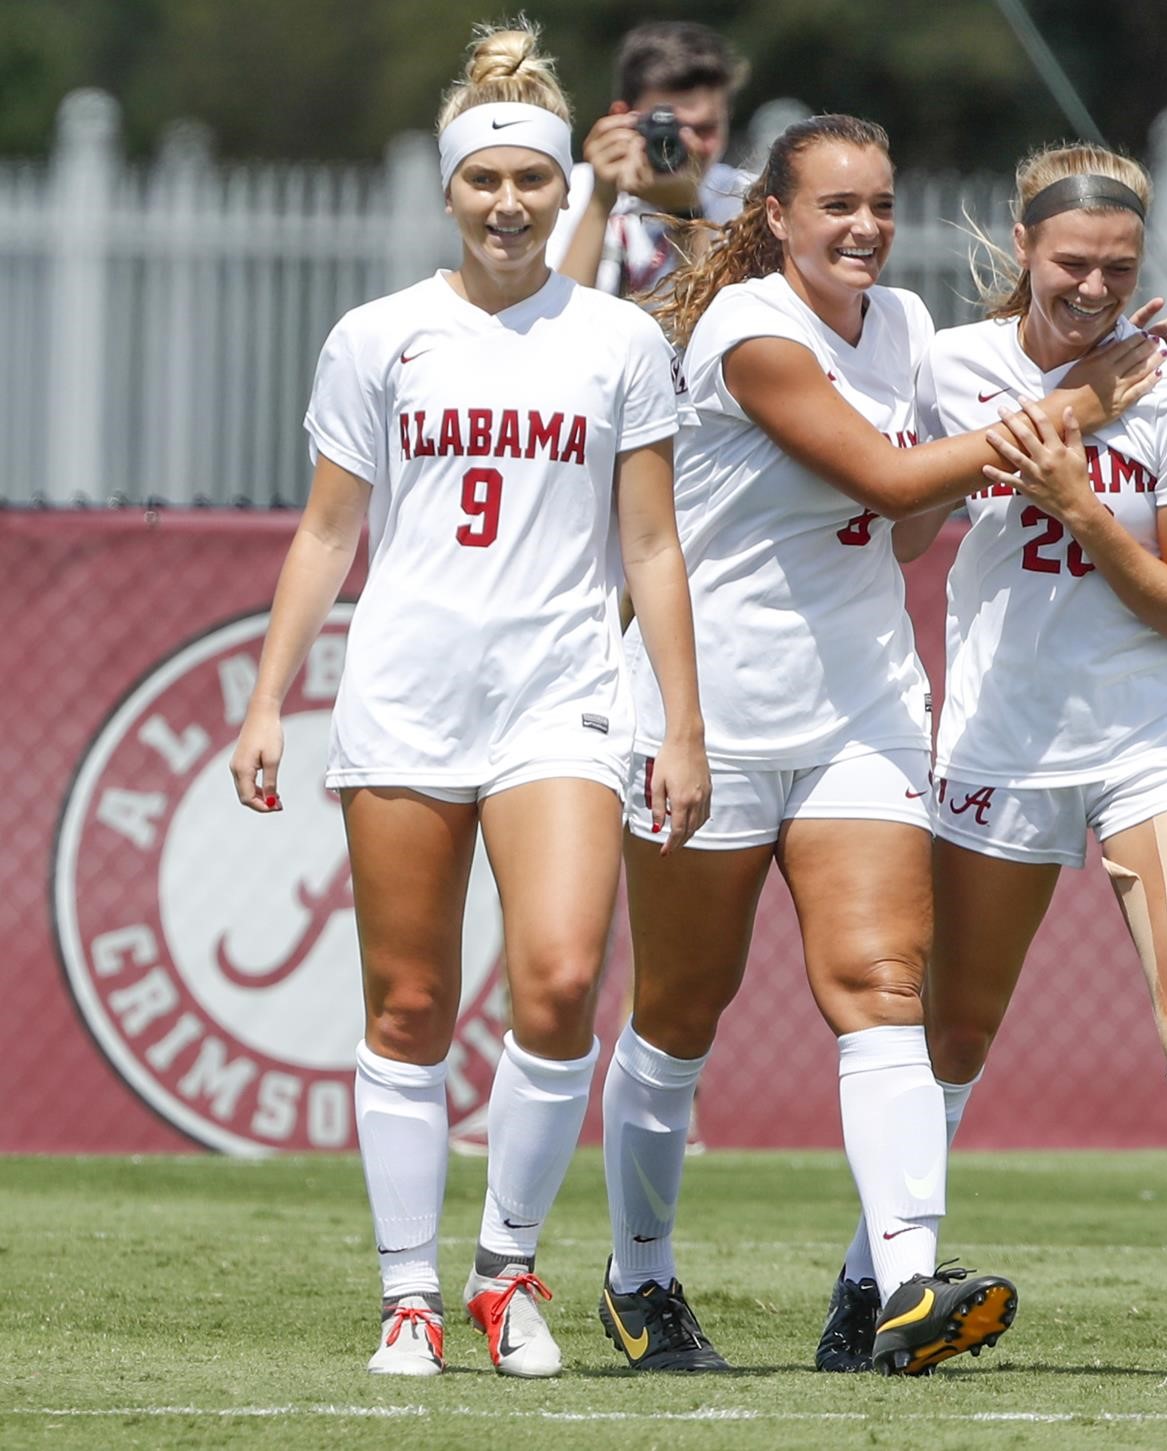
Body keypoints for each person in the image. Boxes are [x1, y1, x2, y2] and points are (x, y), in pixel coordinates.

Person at [594, 113, 1167, 1377]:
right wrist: (1080, 396)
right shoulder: (751, 330)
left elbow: (911, 528)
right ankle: (637, 1274)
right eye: (835, 208)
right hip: (713, 711)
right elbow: (897, 482)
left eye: (880, 206)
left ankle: (903, 1284)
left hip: (860, 705)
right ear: (779, 220)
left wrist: (1058, 406)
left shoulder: (902, 326)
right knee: (680, 1012)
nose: (862, 228)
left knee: (882, 993)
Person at [225, 20, 708, 1379]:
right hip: (406, 695)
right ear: (451, 189)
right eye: (485, 181)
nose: (508, 205)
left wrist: (681, 718)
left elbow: (654, 547)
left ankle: (503, 1267)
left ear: (568, 192)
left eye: (533, 183)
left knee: (558, 981)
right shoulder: (379, 336)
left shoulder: (619, 339)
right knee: (407, 1001)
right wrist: (272, 699)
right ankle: (406, 1294)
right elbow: (328, 532)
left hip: (562, 696)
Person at [825, 142, 1167, 1386]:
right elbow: (908, 530)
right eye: (1071, 264)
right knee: (954, 1029)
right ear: (1023, 252)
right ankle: (881, 1282)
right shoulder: (950, 367)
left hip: (1160, 732)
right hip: (1001, 737)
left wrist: (1082, 500)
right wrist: (1024, 429)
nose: (1093, 287)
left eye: (1117, 268)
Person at [551, 21, 752, 297]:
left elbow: (724, 326)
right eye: (669, 129)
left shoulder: (746, 200)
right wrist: (599, 202)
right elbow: (555, 328)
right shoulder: (564, 192)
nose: (689, 144)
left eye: (705, 129)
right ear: (622, 117)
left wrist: (687, 215)